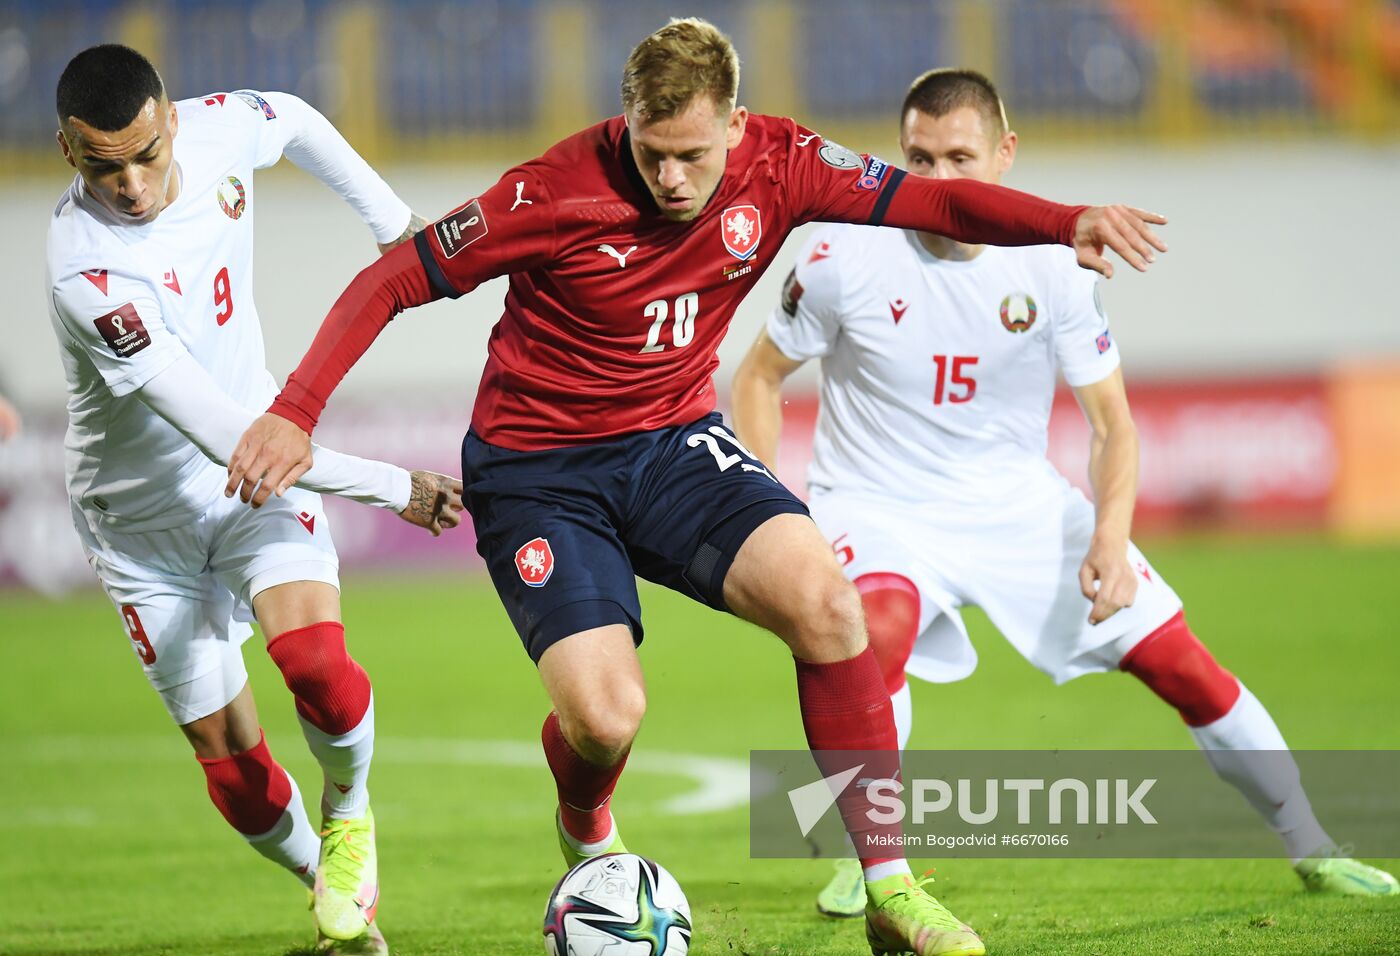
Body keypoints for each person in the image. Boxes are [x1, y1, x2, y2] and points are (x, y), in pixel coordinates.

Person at [225, 20, 1168, 956]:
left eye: (690, 155)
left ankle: (892, 887)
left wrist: (1063, 222)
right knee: (606, 717)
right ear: (624, 120)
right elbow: (395, 275)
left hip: (676, 443)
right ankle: (585, 818)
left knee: (830, 609)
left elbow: (940, 206)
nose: (670, 178)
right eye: (650, 151)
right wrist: (295, 409)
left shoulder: (787, 163)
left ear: (734, 123)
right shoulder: (549, 191)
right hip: (539, 472)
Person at [729, 67, 1399, 920]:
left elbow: (1115, 427)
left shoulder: (1054, 268)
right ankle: (871, 859)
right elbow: (757, 378)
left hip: (1017, 507)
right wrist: (770, 510)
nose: (937, 183)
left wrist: (1110, 541)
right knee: (876, 629)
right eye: (918, 160)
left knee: (1180, 664)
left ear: (1005, 155)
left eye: (959, 158)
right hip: (877, 503)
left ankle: (1312, 843)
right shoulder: (839, 254)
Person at [46, 44, 464, 956]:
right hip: (143, 531)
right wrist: (398, 487)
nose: (131, 183)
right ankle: (327, 879)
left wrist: (393, 223)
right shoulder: (86, 276)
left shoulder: (220, 125)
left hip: (251, 494)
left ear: (171, 120)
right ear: (68, 151)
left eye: (148, 154)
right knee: (235, 771)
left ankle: (351, 818)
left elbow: (296, 116)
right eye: (103, 166)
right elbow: (230, 437)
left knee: (314, 659)